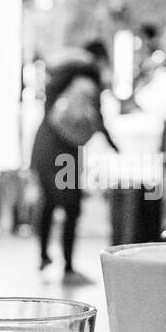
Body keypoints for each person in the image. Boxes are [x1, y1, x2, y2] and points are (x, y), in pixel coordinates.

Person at [31, 57, 115, 283]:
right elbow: (82, 118)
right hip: (63, 151)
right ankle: (67, 264)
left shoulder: (68, 84)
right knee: (72, 206)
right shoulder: (86, 85)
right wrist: (112, 143)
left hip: (44, 143)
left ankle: (44, 257)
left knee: (48, 202)